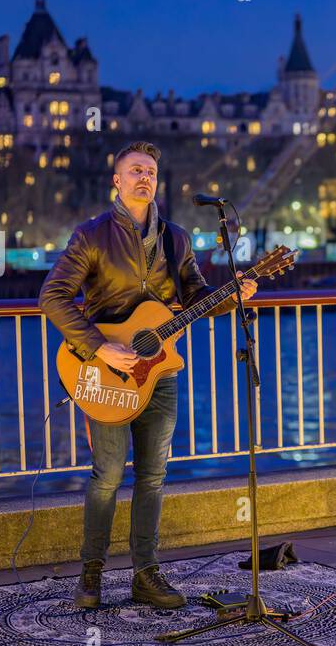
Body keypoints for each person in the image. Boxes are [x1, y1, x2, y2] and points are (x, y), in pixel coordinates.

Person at [39, 141, 257, 608]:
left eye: (152, 172)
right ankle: (91, 576)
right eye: (135, 170)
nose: (145, 177)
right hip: (104, 372)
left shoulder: (177, 237)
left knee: (154, 476)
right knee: (107, 476)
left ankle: (146, 575)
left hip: (161, 372)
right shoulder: (91, 235)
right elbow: (53, 297)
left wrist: (233, 295)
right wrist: (100, 346)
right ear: (116, 181)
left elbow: (197, 297)